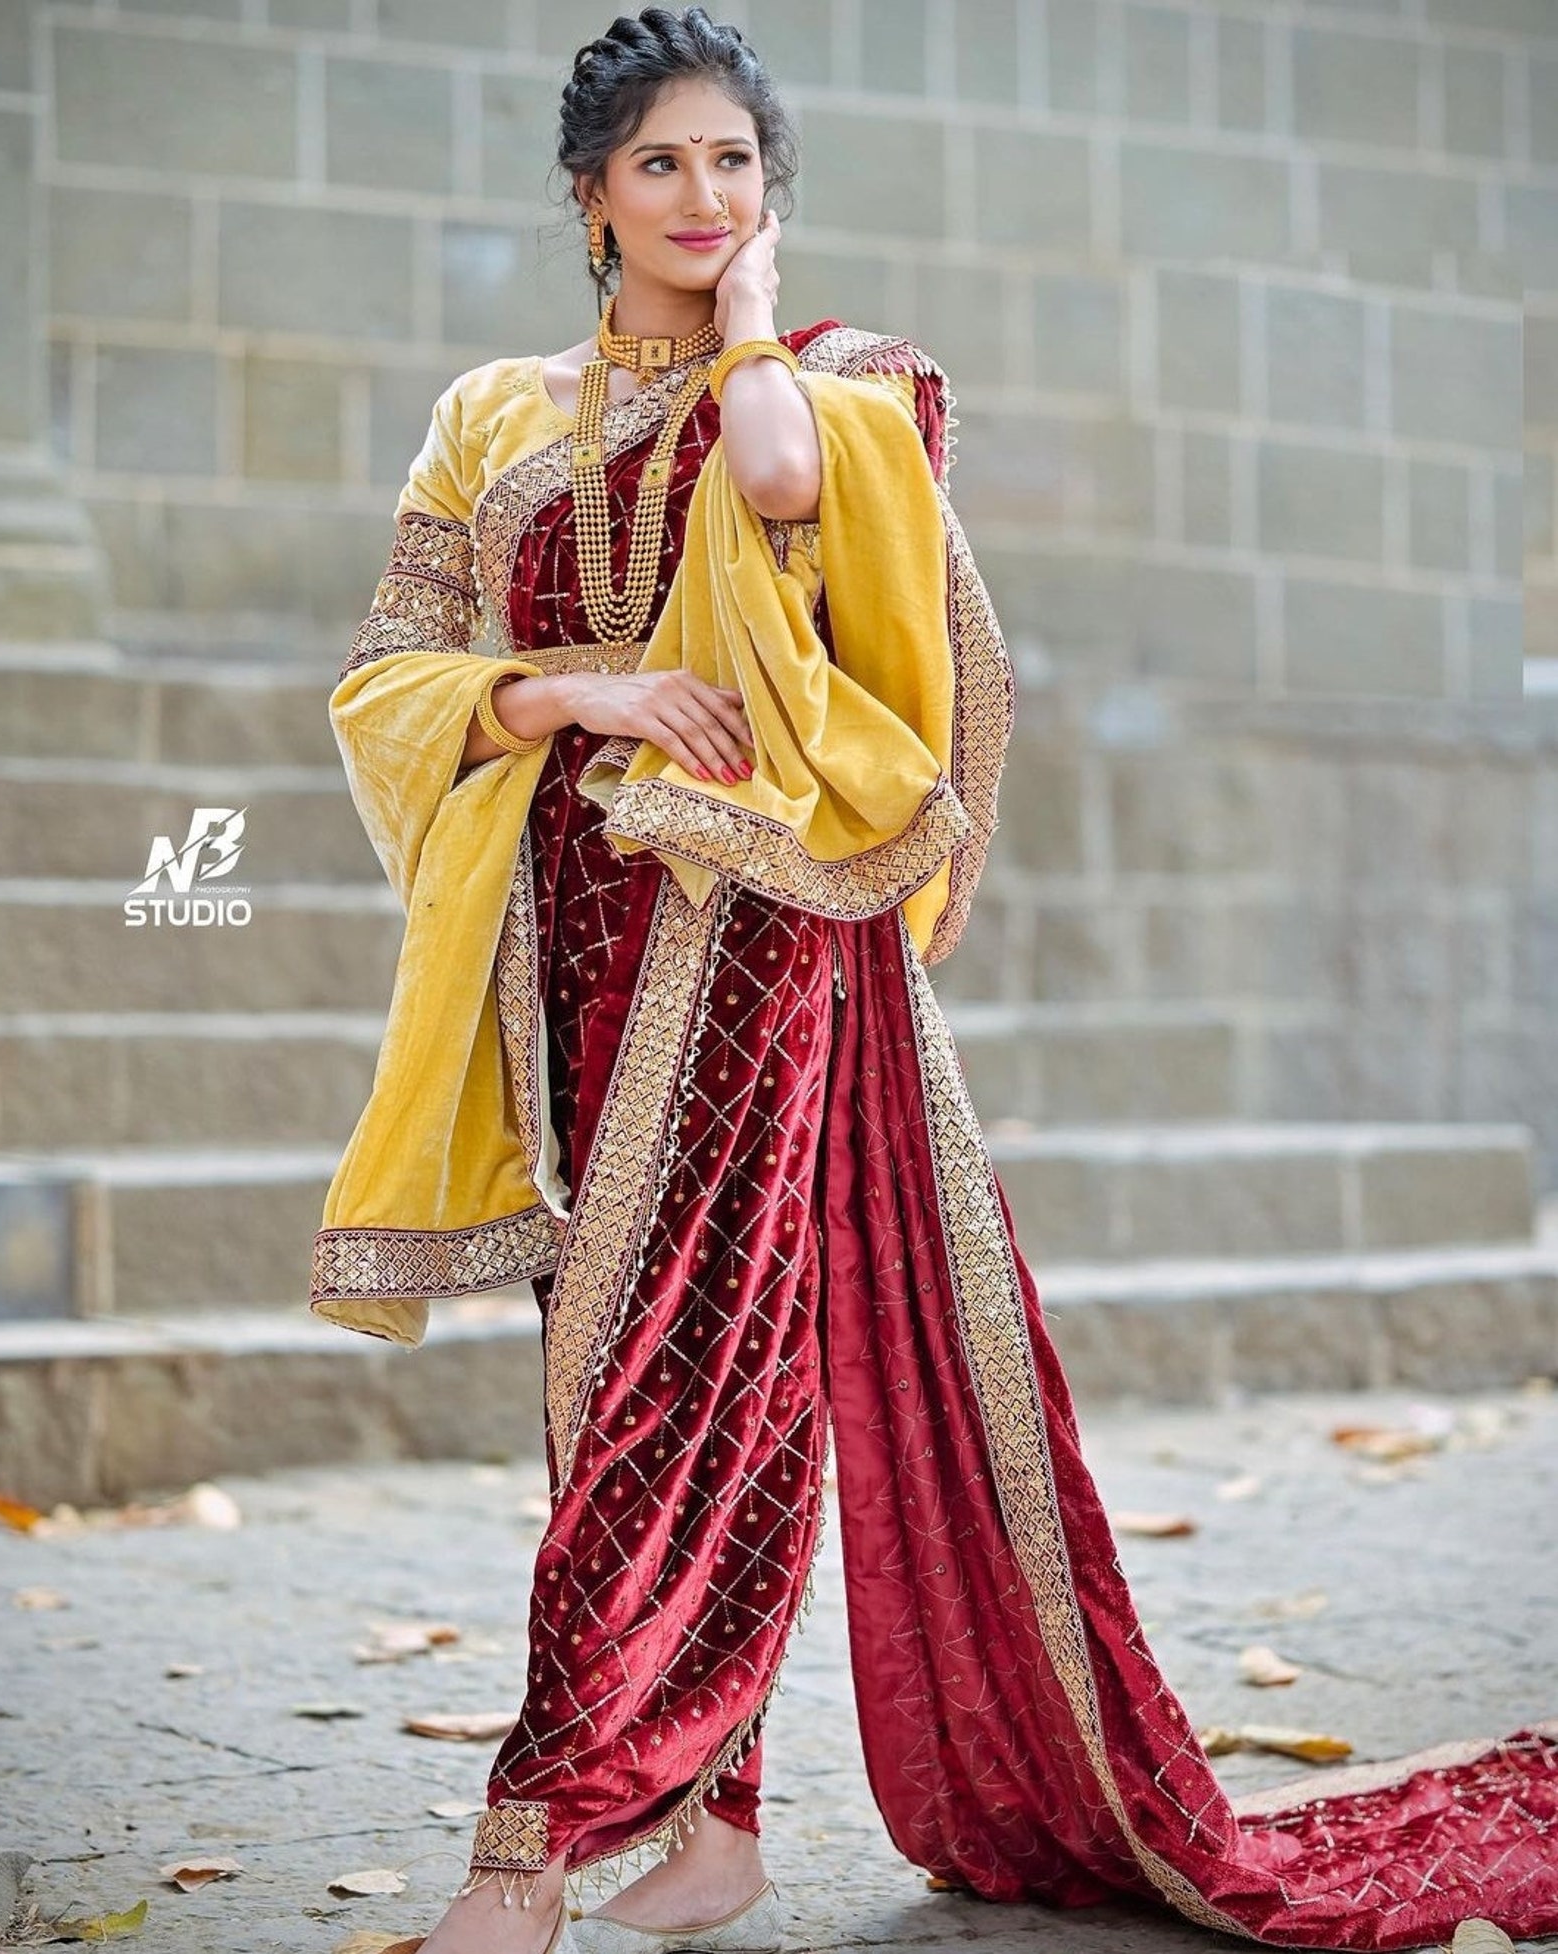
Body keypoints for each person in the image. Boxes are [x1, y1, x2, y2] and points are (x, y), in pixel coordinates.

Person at [309, 11, 1558, 1954]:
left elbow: (791, 488)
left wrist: (751, 324)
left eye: (735, 163)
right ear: (586, 195)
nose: (701, 197)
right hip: (554, 951)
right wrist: (572, 687)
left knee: (672, 1375)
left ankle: (526, 1852)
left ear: (771, 190)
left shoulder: (839, 377)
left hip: (753, 942)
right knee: (606, 1368)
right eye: (660, 165)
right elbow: (389, 675)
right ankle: (713, 1824)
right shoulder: (488, 417)